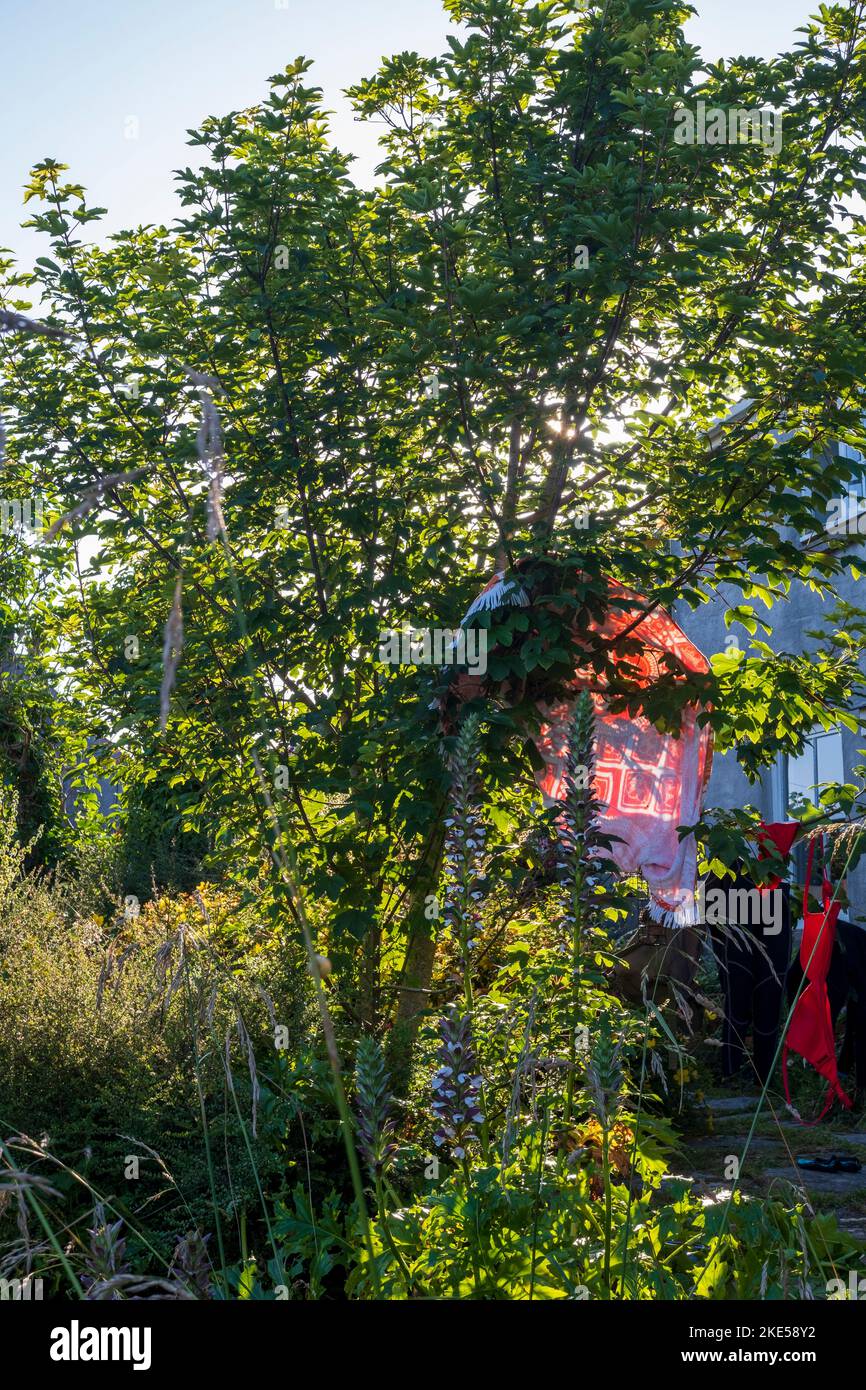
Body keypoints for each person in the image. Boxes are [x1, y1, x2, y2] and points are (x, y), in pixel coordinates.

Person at [705, 864, 792, 1087]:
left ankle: (764, 1076)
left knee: (768, 995)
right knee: (738, 996)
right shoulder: (727, 850)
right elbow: (710, 904)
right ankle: (731, 1072)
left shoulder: (776, 849)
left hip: (769, 903)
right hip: (737, 907)